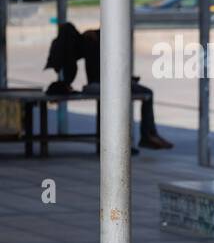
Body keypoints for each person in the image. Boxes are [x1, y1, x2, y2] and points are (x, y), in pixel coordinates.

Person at [44, 23, 173, 150]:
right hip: (100, 85)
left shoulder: (93, 38)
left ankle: (146, 136)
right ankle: (142, 137)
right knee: (133, 97)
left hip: (99, 84)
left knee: (144, 94)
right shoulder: (97, 40)